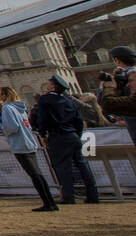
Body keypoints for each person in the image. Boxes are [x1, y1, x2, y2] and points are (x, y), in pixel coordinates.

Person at [32, 75, 99, 205]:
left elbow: (42, 119)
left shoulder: (45, 100)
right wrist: (77, 134)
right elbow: (78, 120)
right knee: (82, 165)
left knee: (63, 166)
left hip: (58, 136)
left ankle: (68, 196)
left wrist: (43, 134)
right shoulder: (69, 101)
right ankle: (93, 195)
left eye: (50, 83)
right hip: (73, 135)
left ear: (53, 86)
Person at [0, 87, 57, 211]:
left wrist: (1, 129)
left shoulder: (7, 108)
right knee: (37, 173)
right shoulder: (20, 107)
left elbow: (12, 127)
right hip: (29, 142)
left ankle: (48, 203)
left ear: (3, 95)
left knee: (34, 175)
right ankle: (50, 201)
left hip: (20, 144)